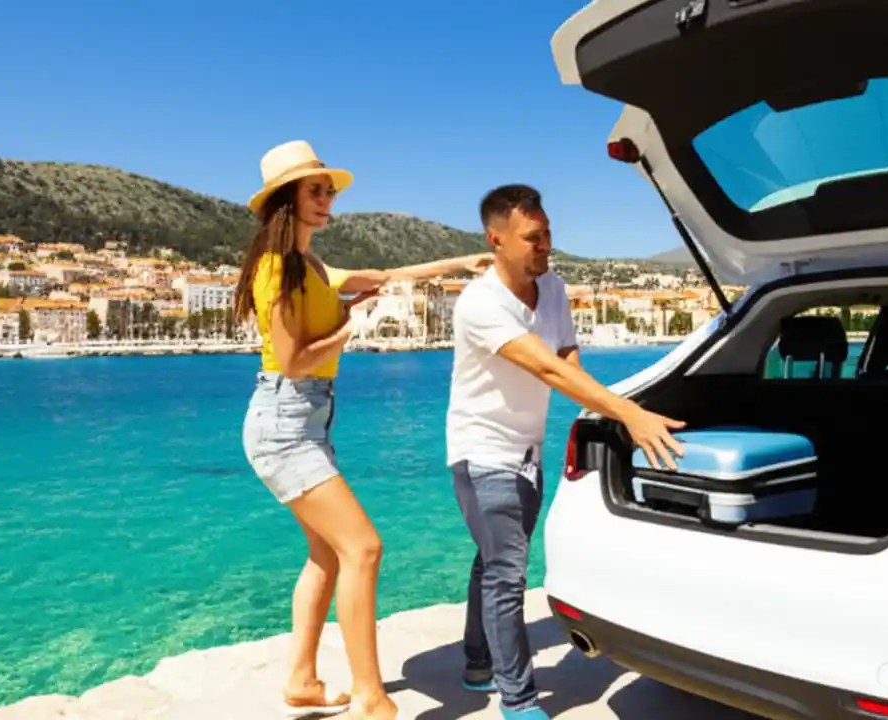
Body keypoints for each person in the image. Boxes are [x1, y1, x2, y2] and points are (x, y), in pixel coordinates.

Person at [234, 140, 491, 720]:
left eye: (329, 190)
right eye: (315, 190)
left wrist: (459, 263)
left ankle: (301, 679)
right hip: (284, 421)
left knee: (327, 555)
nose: (327, 199)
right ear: (286, 199)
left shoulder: (316, 266)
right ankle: (370, 698)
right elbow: (293, 359)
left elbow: (392, 273)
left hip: (308, 419)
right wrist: (354, 322)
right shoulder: (278, 269)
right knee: (364, 547)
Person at [445, 184, 685, 719]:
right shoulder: (480, 304)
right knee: (507, 573)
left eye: (548, 233)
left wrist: (599, 407)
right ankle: (519, 699)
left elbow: (566, 355)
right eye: (533, 237)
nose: (545, 245)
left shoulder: (550, 286)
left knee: (492, 560)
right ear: (496, 239)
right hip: (482, 453)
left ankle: (478, 663)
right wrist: (628, 413)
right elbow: (546, 368)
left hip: (526, 449)